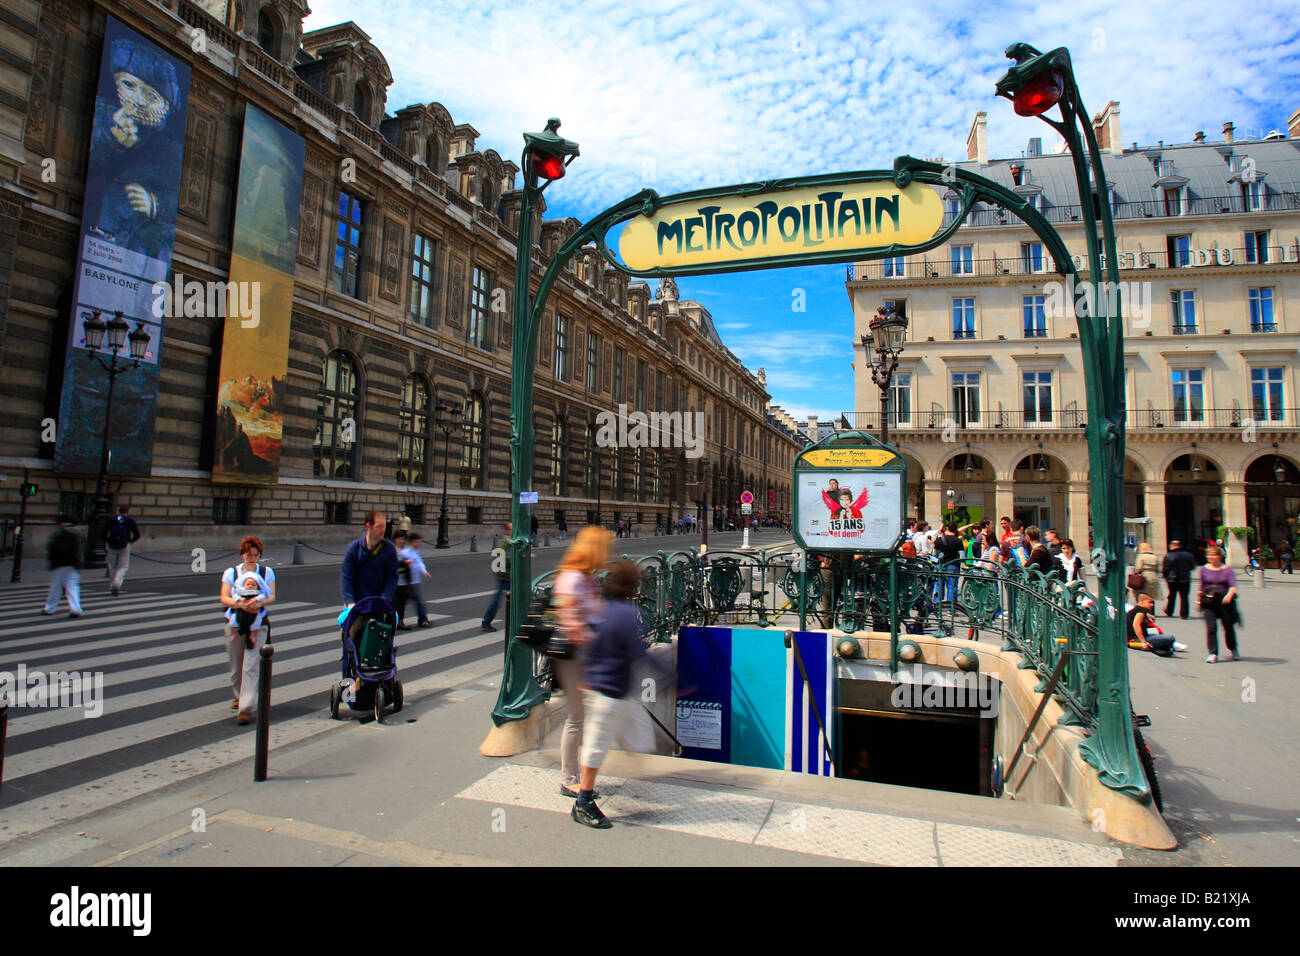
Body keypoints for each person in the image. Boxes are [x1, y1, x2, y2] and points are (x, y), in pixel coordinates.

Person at [571, 559, 658, 829]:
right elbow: (640, 654)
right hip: (610, 690)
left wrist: (584, 674)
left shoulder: (603, 611)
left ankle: (627, 769)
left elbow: (589, 644)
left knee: (638, 735)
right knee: (597, 745)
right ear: (633, 587)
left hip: (612, 688)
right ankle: (583, 802)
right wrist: (670, 678)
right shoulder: (625, 615)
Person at [553, 526, 612, 798]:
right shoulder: (573, 578)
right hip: (575, 658)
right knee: (576, 718)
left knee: (586, 717)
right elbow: (569, 621)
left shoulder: (587, 577)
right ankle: (569, 779)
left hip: (587, 657)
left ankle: (582, 774)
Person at [220, 536, 276, 724]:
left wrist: (258, 602)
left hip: (258, 623)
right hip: (235, 622)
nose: (251, 558)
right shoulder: (231, 573)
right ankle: (239, 695)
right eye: (248, 554)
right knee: (236, 666)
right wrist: (239, 603)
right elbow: (224, 597)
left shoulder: (266, 572)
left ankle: (245, 708)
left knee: (251, 665)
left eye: (255, 555)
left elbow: (271, 596)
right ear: (242, 554)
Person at [339, 510, 399, 681]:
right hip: (357, 607)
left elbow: (392, 577)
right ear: (369, 526)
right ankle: (349, 683)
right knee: (351, 647)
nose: (383, 530)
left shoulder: (388, 549)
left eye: (384, 526)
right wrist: (349, 602)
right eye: (379, 526)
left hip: (379, 606)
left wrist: (385, 599)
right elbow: (346, 577)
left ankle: (379, 680)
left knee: (379, 645)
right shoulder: (355, 548)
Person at [1199, 545, 1239, 663]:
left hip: (1223, 601)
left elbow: (1232, 586)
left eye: (1213, 555)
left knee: (1228, 626)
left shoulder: (1227, 569)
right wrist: (1198, 599)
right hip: (1209, 601)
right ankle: (1213, 653)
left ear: (1219, 556)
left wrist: (1229, 595)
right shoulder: (1204, 569)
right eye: (1209, 555)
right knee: (1211, 628)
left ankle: (1233, 648)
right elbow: (1202, 586)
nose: (1210, 557)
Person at [42, 515, 84, 618]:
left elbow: (50, 546)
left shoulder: (59, 532)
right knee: (72, 585)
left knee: (56, 586)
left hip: (59, 563)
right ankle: (76, 608)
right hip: (74, 563)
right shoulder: (79, 532)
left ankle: (50, 608)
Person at [104, 504, 141, 596]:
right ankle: (117, 583)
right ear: (127, 511)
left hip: (112, 545)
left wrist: (108, 541)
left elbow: (103, 533)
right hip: (124, 545)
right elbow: (137, 534)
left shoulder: (112, 520)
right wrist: (130, 541)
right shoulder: (130, 521)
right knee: (123, 566)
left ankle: (112, 585)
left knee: (112, 566)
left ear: (118, 510)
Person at [481, 522, 511, 632]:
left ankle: (486, 622)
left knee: (500, 599)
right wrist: (517, 558)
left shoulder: (510, 542)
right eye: (512, 528)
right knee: (497, 600)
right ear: (507, 531)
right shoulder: (505, 542)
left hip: (507, 575)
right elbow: (499, 556)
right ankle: (486, 622)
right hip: (504, 576)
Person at [401, 532, 432, 627]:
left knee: (415, 600)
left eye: (419, 542)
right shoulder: (405, 552)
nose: (418, 544)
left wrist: (425, 572)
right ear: (411, 542)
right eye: (416, 542)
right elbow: (400, 565)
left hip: (415, 580)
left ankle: (423, 619)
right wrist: (406, 562)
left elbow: (419, 564)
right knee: (416, 601)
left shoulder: (415, 552)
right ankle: (422, 619)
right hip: (407, 581)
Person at [1161, 539, 1195, 619]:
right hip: (1185, 578)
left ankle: (1170, 610)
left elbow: (1166, 568)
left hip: (1172, 579)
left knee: (1172, 595)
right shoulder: (1188, 555)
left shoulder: (1168, 555)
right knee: (1184, 596)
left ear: (1172, 546)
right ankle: (1184, 613)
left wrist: (1165, 575)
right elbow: (1192, 566)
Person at [392, 530, 413, 630]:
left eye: (403, 539)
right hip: (394, 582)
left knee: (402, 602)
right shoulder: (391, 550)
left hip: (403, 581)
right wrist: (405, 563)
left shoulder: (402, 550)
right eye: (400, 539)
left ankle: (400, 621)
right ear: (395, 539)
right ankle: (392, 622)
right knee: (394, 603)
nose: (402, 541)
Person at [1133, 541, 1162, 611]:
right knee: (1151, 595)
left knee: (1142, 594)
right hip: (1153, 577)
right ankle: (1152, 610)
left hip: (1144, 577)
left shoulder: (1141, 556)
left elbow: (1138, 568)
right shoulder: (1154, 556)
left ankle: (1143, 609)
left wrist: (1135, 573)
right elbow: (1157, 568)